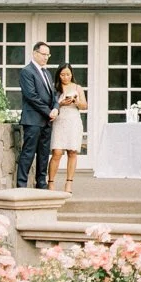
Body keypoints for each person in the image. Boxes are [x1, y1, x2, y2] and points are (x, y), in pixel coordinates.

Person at [16, 41, 57, 189]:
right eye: (43, 54)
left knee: (44, 154)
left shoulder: (46, 73)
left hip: (47, 120)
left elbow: (53, 95)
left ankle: (41, 183)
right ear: (35, 53)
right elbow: (31, 96)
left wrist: (56, 108)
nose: (46, 57)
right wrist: (48, 111)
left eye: (48, 55)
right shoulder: (27, 71)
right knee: (28, 153)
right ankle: (21, 185)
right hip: (33, 120)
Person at [48, 63, 87, 192]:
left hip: (74, 121)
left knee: (72, 152)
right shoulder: (55, 88)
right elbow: (50, 105)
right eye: (63, 74)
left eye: (68, 74)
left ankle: (69, 183)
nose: (65, 77)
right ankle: (51, 182)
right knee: (57, 152)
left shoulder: (77, 87)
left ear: (72, 74)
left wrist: (76, 102)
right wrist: (61, 103)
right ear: (59, 75)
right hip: (60, 121)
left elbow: (84, 106)